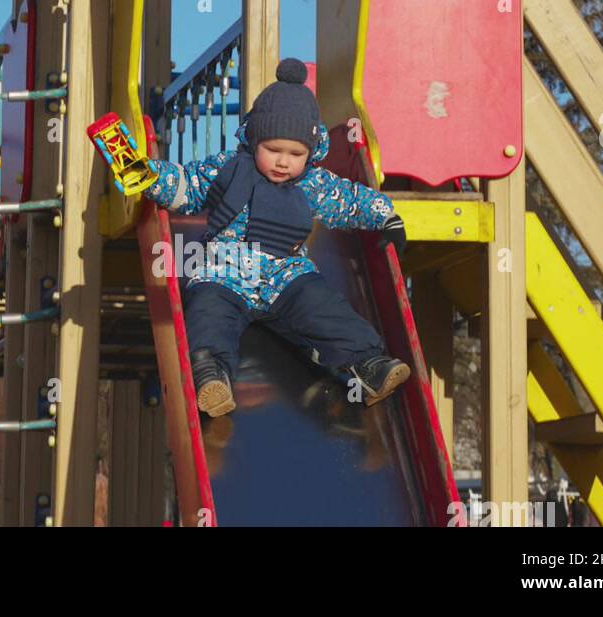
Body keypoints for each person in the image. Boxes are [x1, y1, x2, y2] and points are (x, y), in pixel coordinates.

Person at [144, 58, 409, 417]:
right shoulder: (229, 167)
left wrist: (387, 218)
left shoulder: (312, 182)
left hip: (285, 274)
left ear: (310, 153)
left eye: (295, 154)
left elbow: (349, 199)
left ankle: (368, 363)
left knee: (324, 307)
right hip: (225, 272)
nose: (284, 162)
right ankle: (211, 375)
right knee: (207, 311)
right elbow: (187, 185)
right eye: (274, 150)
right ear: (254, 141)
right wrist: (147, 175)